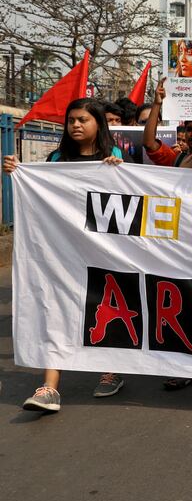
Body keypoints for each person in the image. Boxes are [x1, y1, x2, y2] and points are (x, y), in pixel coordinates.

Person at [4, 98, 130, 413]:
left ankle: (110, 368)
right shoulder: (56, 159)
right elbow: (40, 199)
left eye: (82, 120)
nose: (75, 125)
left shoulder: (114, 157)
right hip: (62, 251)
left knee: (102, 308)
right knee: (55, 309)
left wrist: (121, 173)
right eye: (71, 120)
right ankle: (49, 386)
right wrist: (18, 173)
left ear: (98, 125)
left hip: (103, 251)